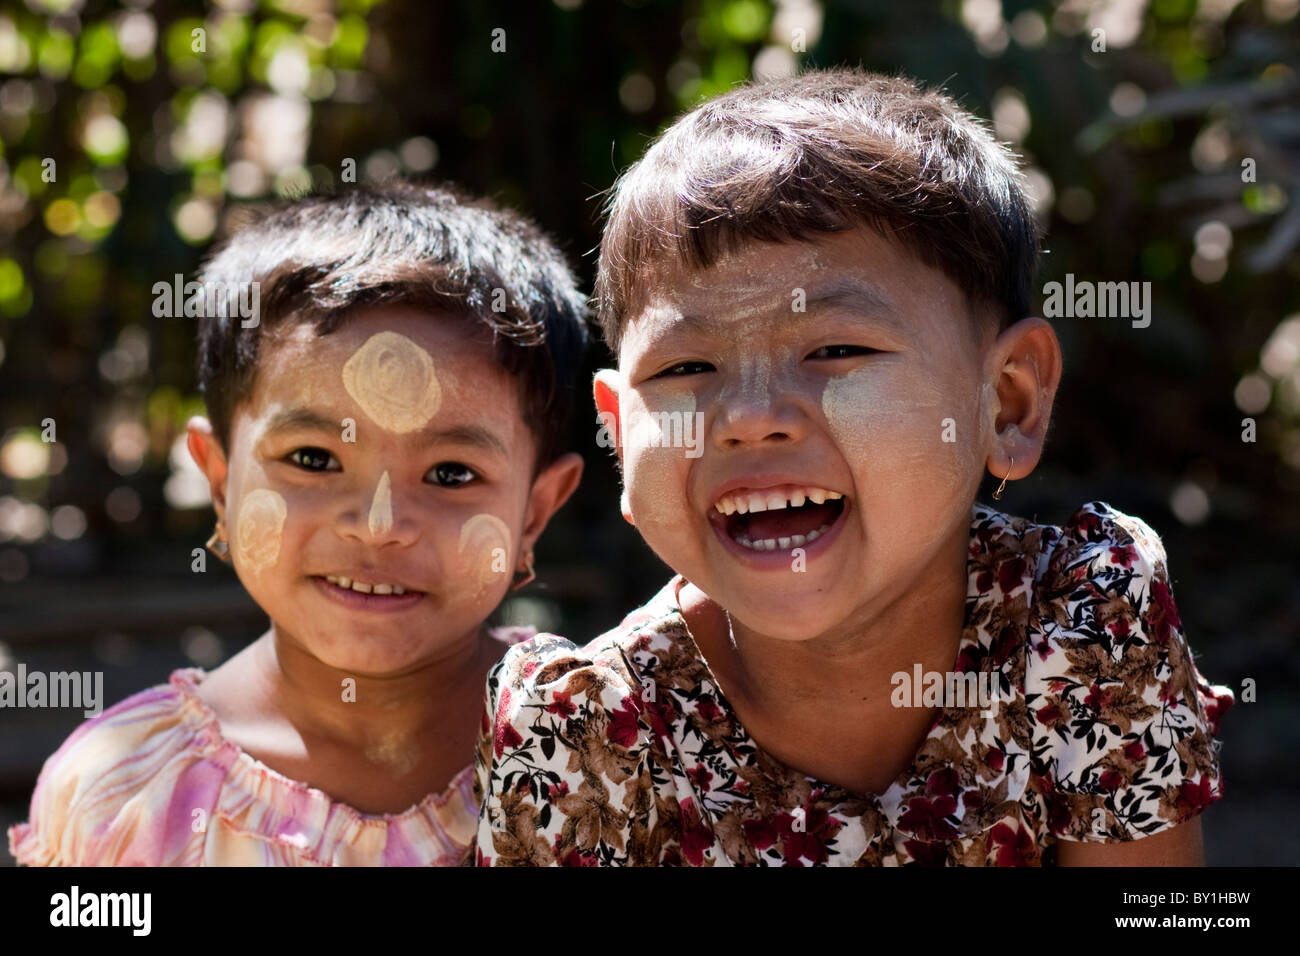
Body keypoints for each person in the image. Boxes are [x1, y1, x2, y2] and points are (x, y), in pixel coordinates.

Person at [474, 69, 1234, 866]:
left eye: (836, 350)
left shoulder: (1082, 625)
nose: (750, 418)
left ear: (1006, 403)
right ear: (621, 437)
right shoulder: (582, 731)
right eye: (685, 368)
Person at [9, 181, 587, 866]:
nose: (378, 527)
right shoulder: (123, 794)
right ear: (220, 482)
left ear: (536, 511)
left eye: (452, 474)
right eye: (313, 459)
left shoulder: (605, 752)